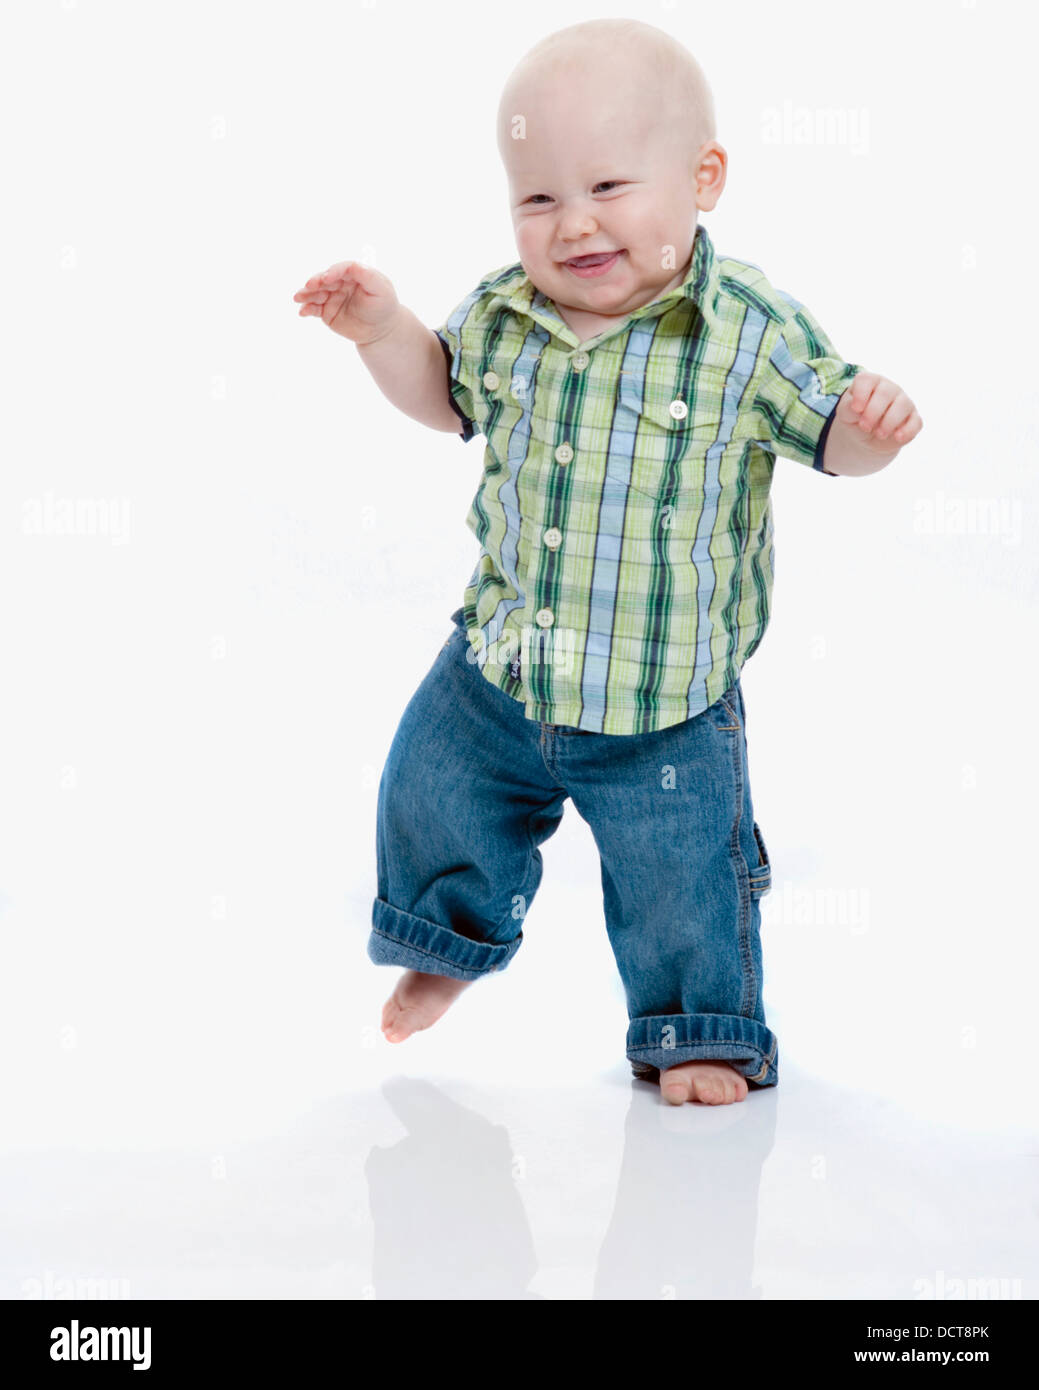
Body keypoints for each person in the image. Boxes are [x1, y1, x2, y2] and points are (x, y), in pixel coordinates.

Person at [293, 18, 922, 1105]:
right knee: (429, 786)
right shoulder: (504, 314)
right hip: (503, 666)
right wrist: (383, 329)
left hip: (662, 701)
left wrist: (872, 426)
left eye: (608, 188)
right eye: (537, 198)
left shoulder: (745, 332)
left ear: (702, 179)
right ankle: (444, 939)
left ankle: (698, 1028)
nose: (573, 223)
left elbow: (834, 441)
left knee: (681, 876)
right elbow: (441, 397)